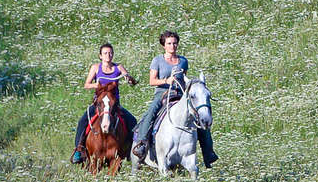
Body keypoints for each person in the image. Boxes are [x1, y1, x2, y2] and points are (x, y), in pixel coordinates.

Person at [131, 31, 216, 168]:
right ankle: (141, 144)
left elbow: (184, 79)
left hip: (180, 95)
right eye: (169, 43)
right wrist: (166, 80)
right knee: (151, 112)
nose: (172, 46)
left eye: (175, 43)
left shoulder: (183, 61)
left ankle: (208, 153)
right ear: (164, 45)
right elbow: (152, 81)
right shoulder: (157, 60)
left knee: (198, 118)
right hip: (163, 94)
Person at [72, 42, 137, 164]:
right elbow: (86, 85)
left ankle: (131, 150)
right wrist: (94, 85)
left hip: (113, 104)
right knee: (82, 121)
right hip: (99, 104)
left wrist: (129, 79)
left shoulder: (118, 67)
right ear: (100, 56)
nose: (108, 55)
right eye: (105, 53)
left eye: (111, 53)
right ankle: (79, 149)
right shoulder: (96, 68)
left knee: (132, 121)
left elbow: (130, 80)